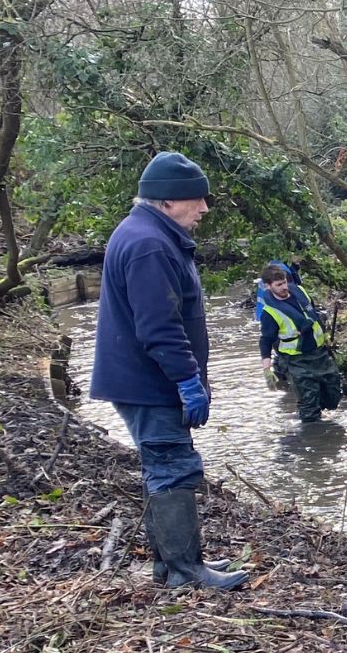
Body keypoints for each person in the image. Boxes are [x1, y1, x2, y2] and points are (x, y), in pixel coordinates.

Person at [89, 151, 246, 591]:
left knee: (161, 466)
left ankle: (170, 564)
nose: (204, 209)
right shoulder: (150, 245)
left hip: (145, 379)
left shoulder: (149, 234)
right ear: (166, 202)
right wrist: (187, 380)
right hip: (150, 382)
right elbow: (159, 325)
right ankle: (185, 571)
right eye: (196, 200)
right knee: (172, 466)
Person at [256, 263, 343, 423]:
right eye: (279, 285)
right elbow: (265, 341)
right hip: (296, 361)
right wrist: (267, 370)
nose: (284, 287)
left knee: (333, 397)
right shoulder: (269, 313)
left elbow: (314, 314)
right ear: (268, 287)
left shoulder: (300, 291)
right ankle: (312, 438)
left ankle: (320, 413)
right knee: (309, 408)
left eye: (284, 282)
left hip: (320, 354)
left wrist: (326, 337)